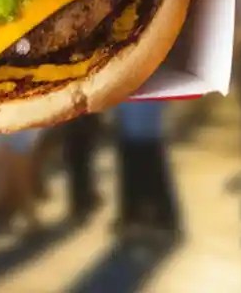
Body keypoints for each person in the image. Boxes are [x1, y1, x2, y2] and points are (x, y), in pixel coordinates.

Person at [113, 100, 180, 243]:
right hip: (135, 134)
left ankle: (164, 221)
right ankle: (134, 218)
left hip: (148, 135)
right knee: (132, 181)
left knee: (154, 180)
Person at [0, 128, 43, 233]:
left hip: (10, 138)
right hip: (10, 138)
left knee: (11, 179)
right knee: (16, 180)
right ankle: (29, 218)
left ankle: (25, 217)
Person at [62, 113, 102, 222]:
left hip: (78, 121)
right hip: (79, 121)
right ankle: (83, 201)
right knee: (81, 162)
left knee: (80, 162)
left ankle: (83, 201)